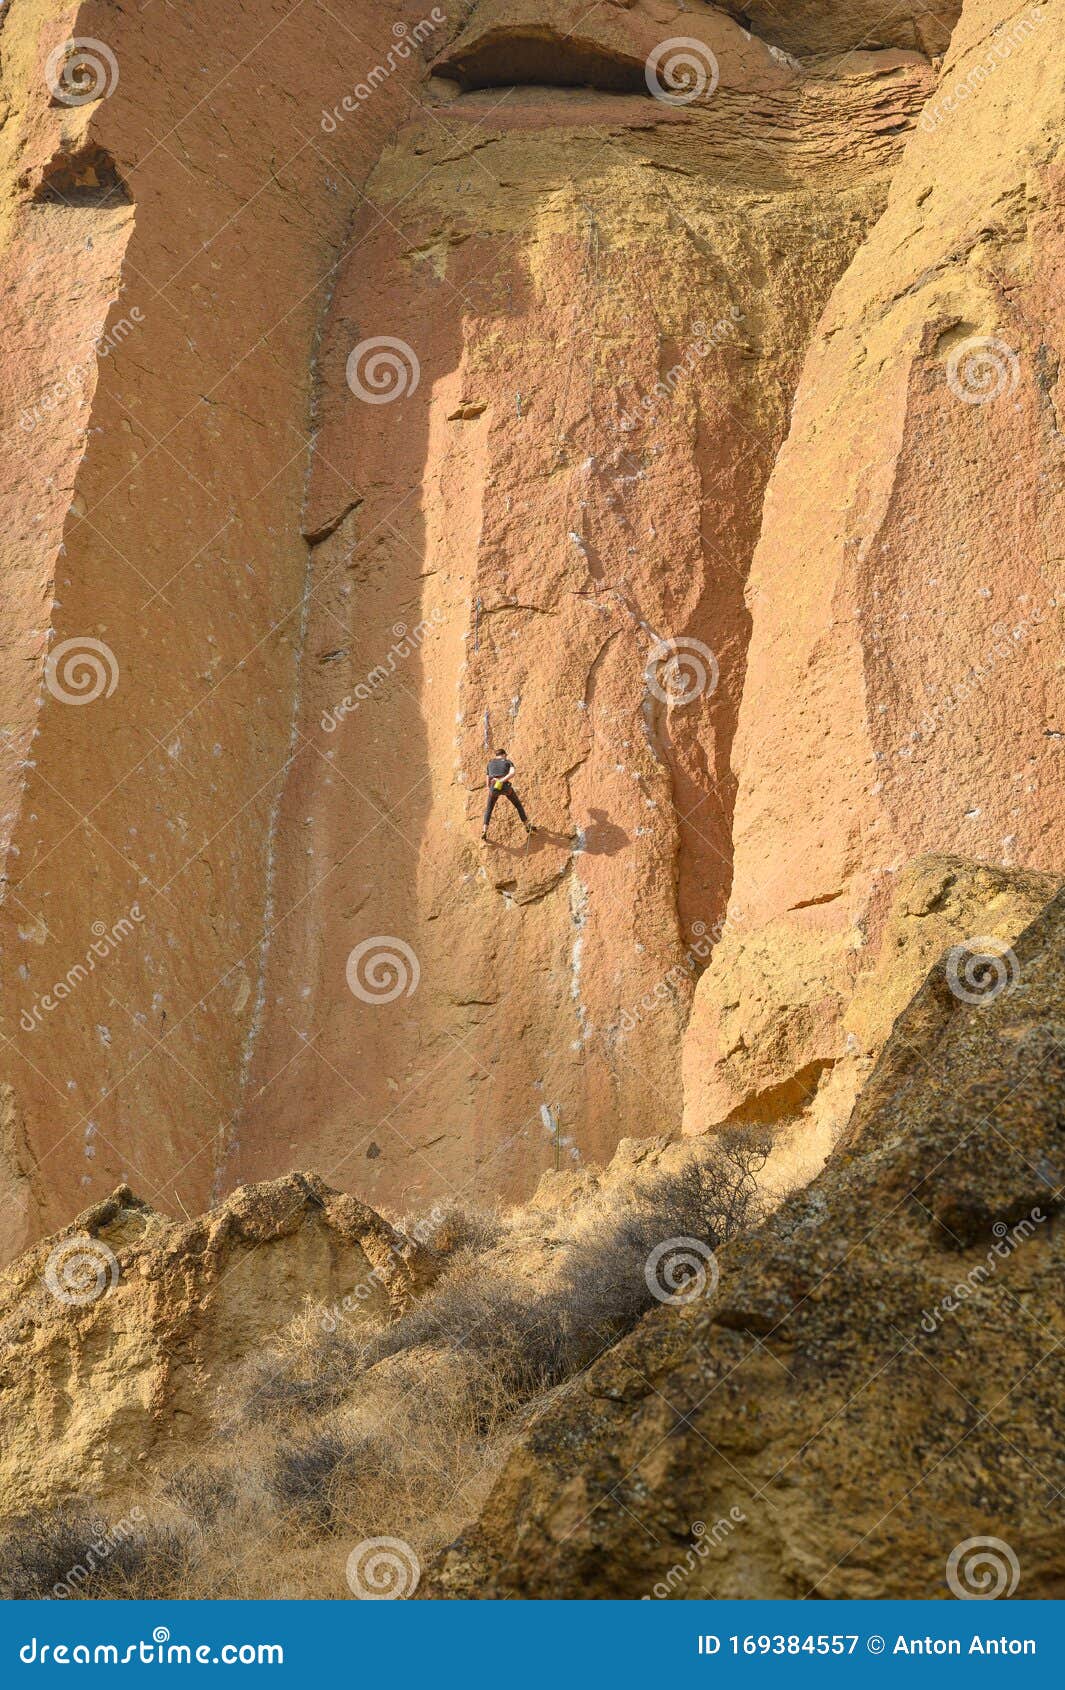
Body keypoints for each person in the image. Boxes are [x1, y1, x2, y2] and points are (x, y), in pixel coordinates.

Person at [482, 749, 535, 841]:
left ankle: (484, 831)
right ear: (503, 755)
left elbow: (487, 777)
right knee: (518, 805)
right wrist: (502, 780)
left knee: (489, 809)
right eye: (505, 755)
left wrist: (488, 787)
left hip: (494, 787)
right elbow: (512, 773)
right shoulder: (507, 762)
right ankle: (527, 826)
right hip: (505, 787)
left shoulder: (490, 763)